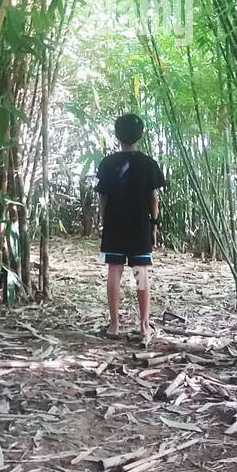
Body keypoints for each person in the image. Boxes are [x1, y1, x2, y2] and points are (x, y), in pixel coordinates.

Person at [95, 113, 166, 345]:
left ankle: (114, 325)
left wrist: (105, 221)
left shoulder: (107, 163)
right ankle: (144, 326)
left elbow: (103, 199)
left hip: (115, 223)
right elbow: (153, 199)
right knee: (141, 273)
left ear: (117, 135)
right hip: (139, 225)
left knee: (114, 271)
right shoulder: (149, 164)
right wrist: (154, 224)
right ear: (140, 135)